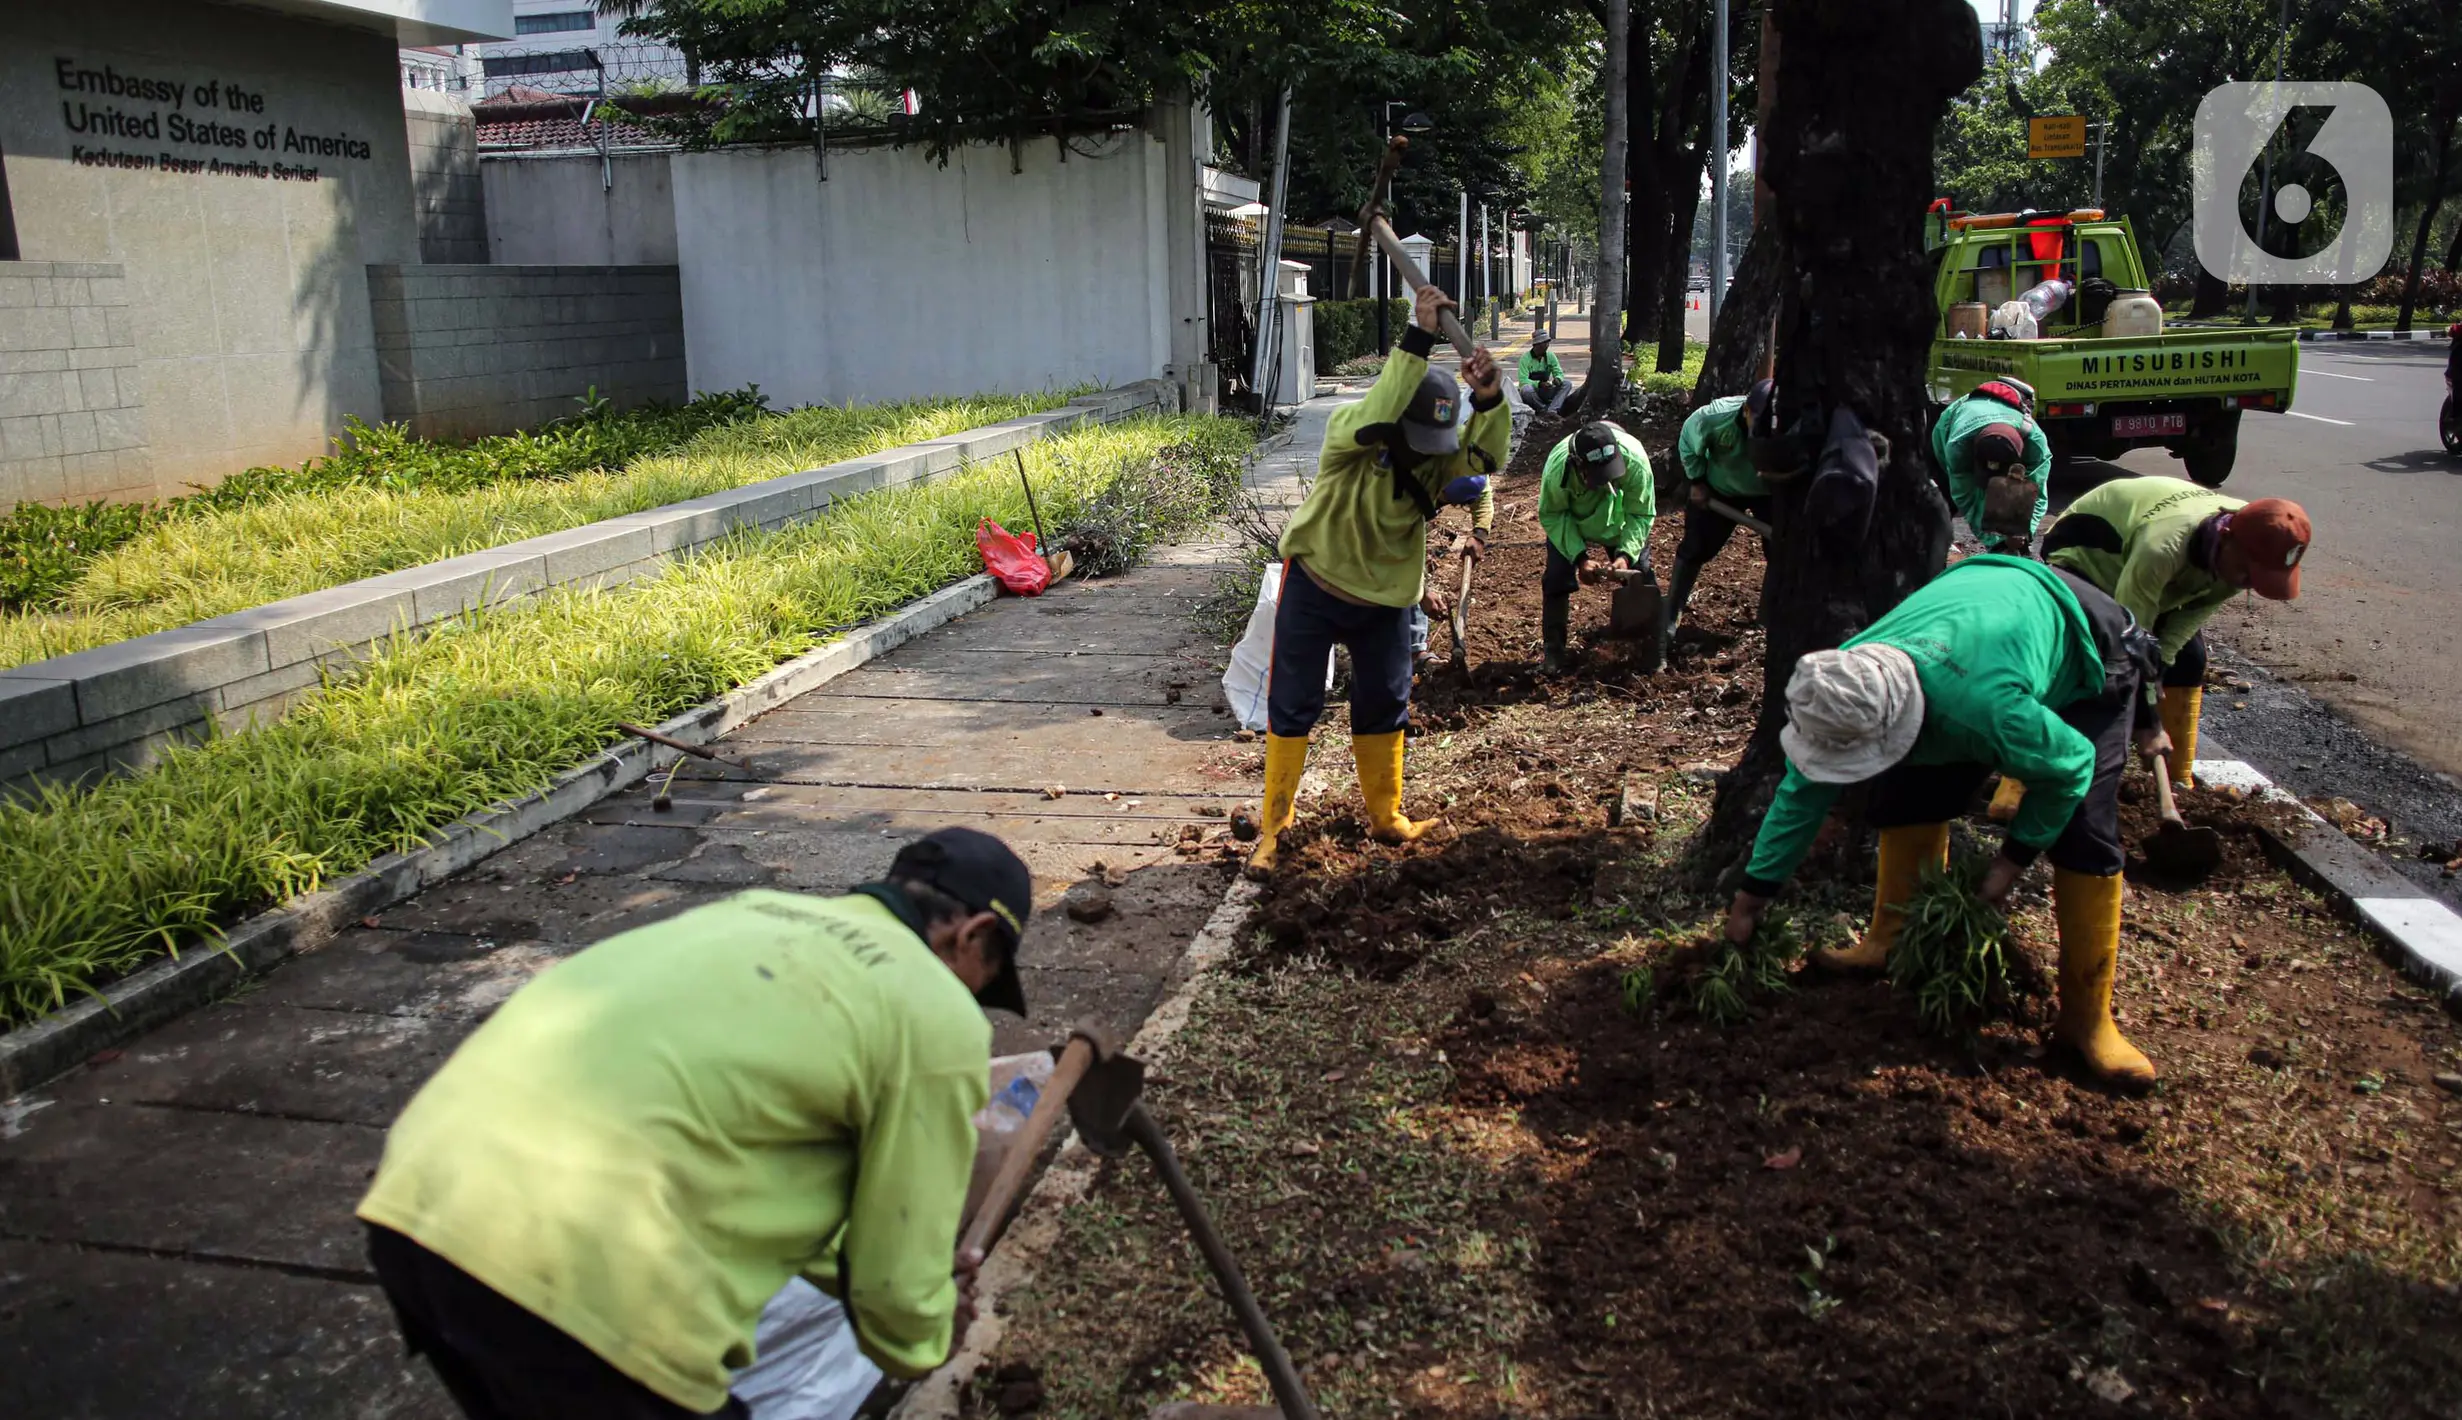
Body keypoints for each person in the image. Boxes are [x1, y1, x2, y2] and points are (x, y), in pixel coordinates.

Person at [357, 827, 1035, 1419]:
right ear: (973, 934)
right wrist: (933, 1326)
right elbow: (895, 1302)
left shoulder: (749, 914)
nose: (975, 998)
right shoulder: (935, 1007)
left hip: (419, 1204)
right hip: (582, 1265)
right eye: (988, 978)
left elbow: (760, 1174)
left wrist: (869, 1275)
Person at [1720, 554, 2169, 1089]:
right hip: (1978, 605)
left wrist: (2009, 865)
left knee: (2083, 828)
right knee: (1907, 794)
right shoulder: (1839, 682)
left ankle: (2087, 1021)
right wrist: (1751, 900)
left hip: (2089, 643)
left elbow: (2071, 765)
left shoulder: (1986, 709)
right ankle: (1890, 943)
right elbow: (1802, 793)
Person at [1247, 281, 1509, 878]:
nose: (1427, 454)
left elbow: (1485, 458)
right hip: (1316, 585)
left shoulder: (1438, 458)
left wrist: (1489, 399)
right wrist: (1417, 338)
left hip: (1387, 600)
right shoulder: (1351, 436)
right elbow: (1380, 405)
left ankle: (1387, 817)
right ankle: (1275, 828)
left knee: (1386, 702)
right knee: (1294, 703)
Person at [2043, 478, 2310, 788]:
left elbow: (2190, 617)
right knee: (2098, 658)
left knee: (2189, 659)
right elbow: (2128, 640)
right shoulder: (2162, 548)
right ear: (2226, 538)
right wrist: (2148, 723)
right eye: (2248, 573)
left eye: (2259, 578)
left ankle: (2177, 780)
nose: (2247, 583)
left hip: (2151, 571)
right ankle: (2051, 771)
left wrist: (2160, 668)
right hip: (2085, 551)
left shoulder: (2250, 544)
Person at [1537, 420, 1659, 674]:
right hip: (1572, 521)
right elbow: (1553, 515)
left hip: (1618, 520)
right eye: (1597, 477)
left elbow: (1640, 513)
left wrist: (1626, 555)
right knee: (1557, 578)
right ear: (1578, 466)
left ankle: (1649, 645)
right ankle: (1554, 651)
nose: (1606, 482)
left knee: (1641, 575)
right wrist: (1580, 557)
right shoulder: (1557, 471)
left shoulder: (1635, 462)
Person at [1667, 379, 1778, 630]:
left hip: (1770, 492)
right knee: (1696, 546)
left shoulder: (1793, 425)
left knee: (1781, 552)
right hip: (1720, 489)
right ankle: (1672, 613)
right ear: (1746, 411)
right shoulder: (1714, 419)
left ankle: (1767, 621)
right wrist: (1697, 481)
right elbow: (1688, 441)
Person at [1931, 379, 2052, 554]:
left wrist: (2024, 532)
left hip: (1997, 426)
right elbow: (1967, 497)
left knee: (2015, 493)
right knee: (1943, 501)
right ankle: (1937, 549)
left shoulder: (2035, 443)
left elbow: (2037, 494)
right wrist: (1995, 543)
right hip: (1951, 426)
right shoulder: (1958, 446)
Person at [1518, 330, 1573, 415]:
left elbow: (1558, 371)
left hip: (1546, 391)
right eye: (1544, 343)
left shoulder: (1550, 356)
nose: (1546, 346)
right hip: (1534, 392)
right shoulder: (1525, 358)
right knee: (1526, 389)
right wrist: (1539, 384)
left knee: (1567, 384)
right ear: (1537, 345)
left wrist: (1558, 378)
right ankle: (1542, 409)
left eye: (1547, 343)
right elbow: (1523, 380)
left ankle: (1552, 410)